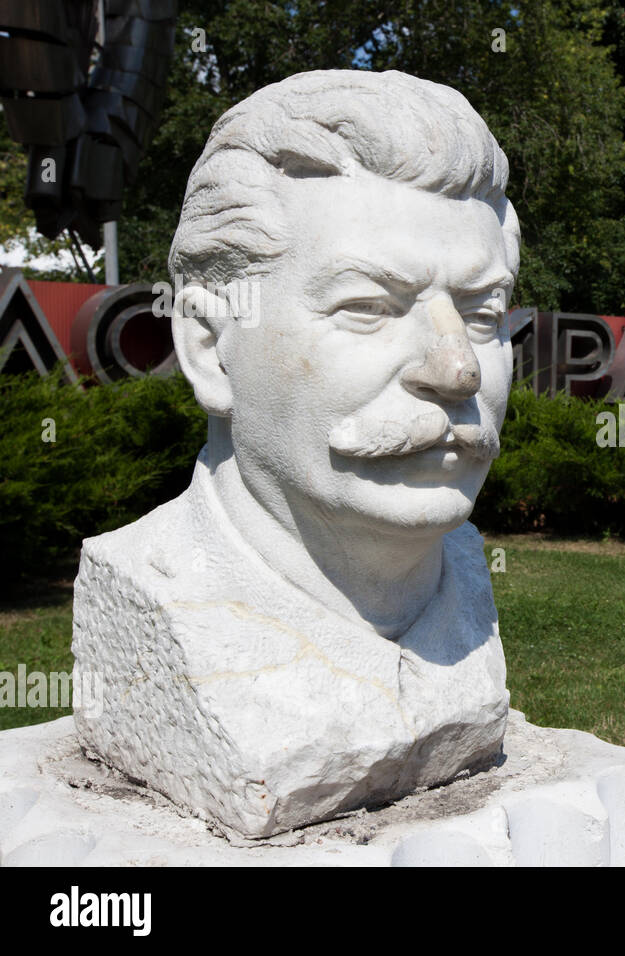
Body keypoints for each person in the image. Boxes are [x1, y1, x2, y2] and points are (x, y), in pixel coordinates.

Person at [71, 71, 519, 837]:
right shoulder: (152, 590)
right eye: (368, 308)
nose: (458, 369)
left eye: (482, 314)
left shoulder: (464, 580)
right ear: (211, 349)